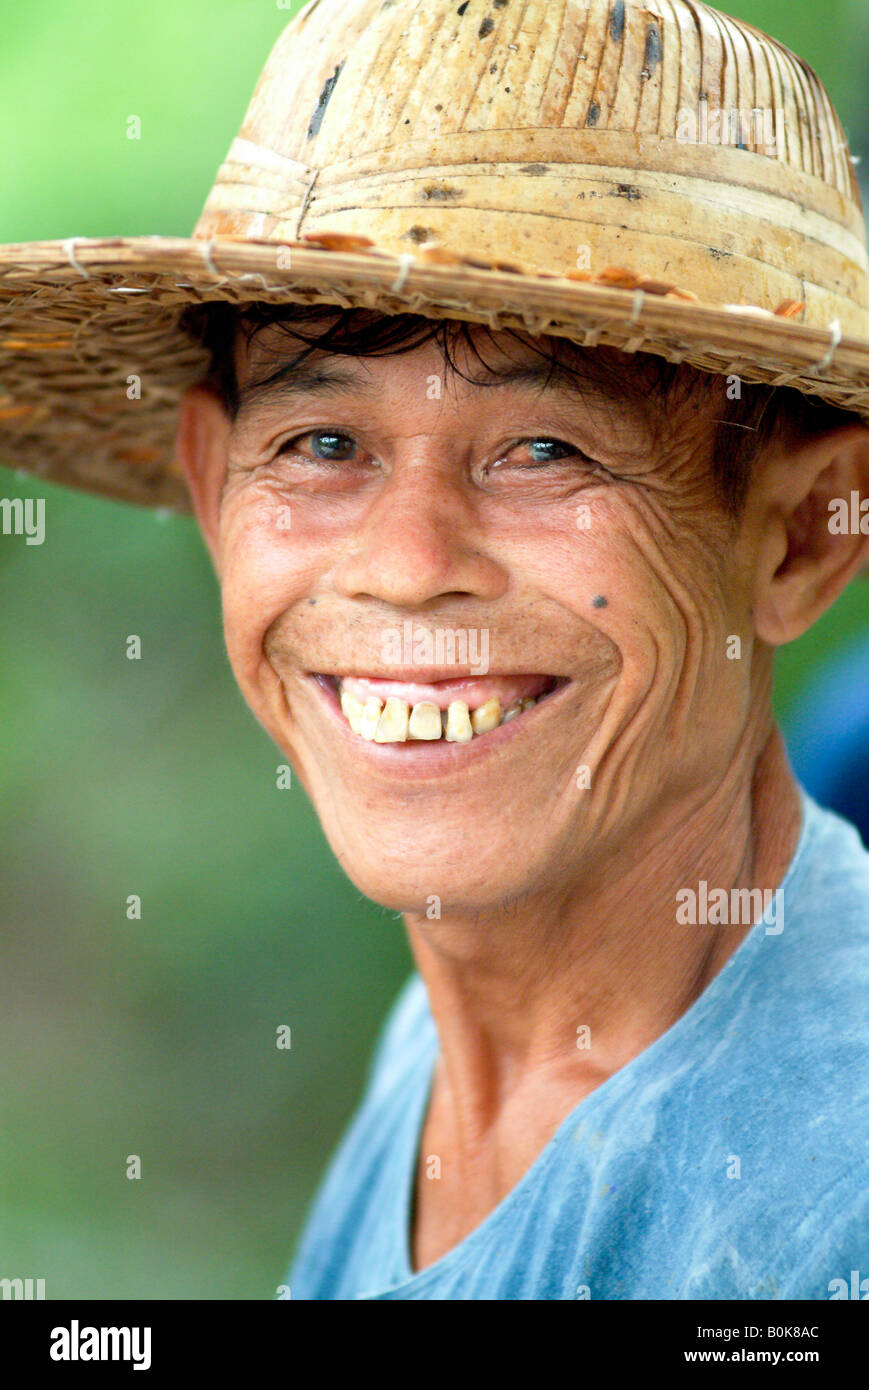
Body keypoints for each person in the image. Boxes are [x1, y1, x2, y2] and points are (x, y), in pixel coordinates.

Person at [1, 0, 867, 1299]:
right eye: (322, 445)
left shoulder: (821, 1210)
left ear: (798, 535)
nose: (407, 564)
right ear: (213, 479)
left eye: (543, 449)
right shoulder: (454, 1023)